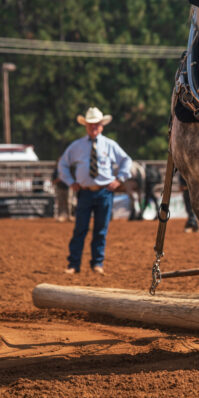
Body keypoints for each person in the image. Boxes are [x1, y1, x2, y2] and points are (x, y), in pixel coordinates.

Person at [58, 107, 132, 275]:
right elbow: (63, 164)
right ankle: (73, 264)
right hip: (84, 192)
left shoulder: (110, 145)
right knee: (80, 229)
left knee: (101, 229)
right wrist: (71, 182)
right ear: (86, 125)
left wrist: (119, 179)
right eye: (90, 124)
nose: (93, 127)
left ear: (101, 126)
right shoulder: (76, 146)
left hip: (104, 192)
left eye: (96, 124)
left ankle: (97, 263)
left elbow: (126, 160)